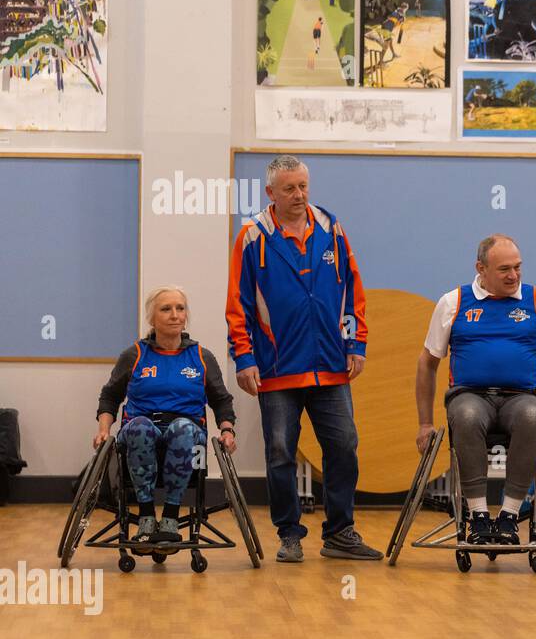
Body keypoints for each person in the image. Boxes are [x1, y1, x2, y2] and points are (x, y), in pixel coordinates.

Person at [226, 155, 378, 563]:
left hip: (330, 364)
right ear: (270, 192)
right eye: (289, 189)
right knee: (280, 453)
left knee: (344, 446)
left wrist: (355, 343)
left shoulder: (332, 229)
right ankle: (288, 534)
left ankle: (340, 533)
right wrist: (243, 356)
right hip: (276, 368)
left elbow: (353, 290)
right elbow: (238, 304)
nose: (299, 195)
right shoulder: (252, 237)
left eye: (303, 187)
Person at [415, 235, 536, 547]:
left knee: (532, 415)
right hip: (470, 395)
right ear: (481, 269)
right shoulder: (453, 302)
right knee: (467, 415)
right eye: (504, 269)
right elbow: (427, 364)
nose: (513, 275)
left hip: (522, 397)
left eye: (518, 267)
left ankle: (509, 516)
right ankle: (479, 516)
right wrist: (424, 424)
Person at [95, 287, 236, 545]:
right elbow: (109, 396)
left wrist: (227, 430)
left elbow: (221, 401)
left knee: (183, 428)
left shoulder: (202, 357)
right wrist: (104, 430)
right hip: (142, 428)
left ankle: (171, 517)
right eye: (166, 309)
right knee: (139, 427)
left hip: (187, 432)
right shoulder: (134, 355)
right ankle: (146, 516)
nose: (174, 315)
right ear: (152, 318)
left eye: (180, 308)